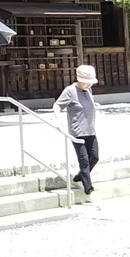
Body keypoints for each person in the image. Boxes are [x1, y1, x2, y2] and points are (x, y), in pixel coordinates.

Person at [52, 64, 100, 200]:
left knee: (94, 157)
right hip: (77, 132)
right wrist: (58, 120)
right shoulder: (70, 91)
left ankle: (79, 177)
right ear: (79, 79)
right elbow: (57, 105)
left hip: (90, 130)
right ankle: (89, 189)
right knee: (84, 161)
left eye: (91, 82)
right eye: (87, 82)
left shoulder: (89, 90)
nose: (90, 84)